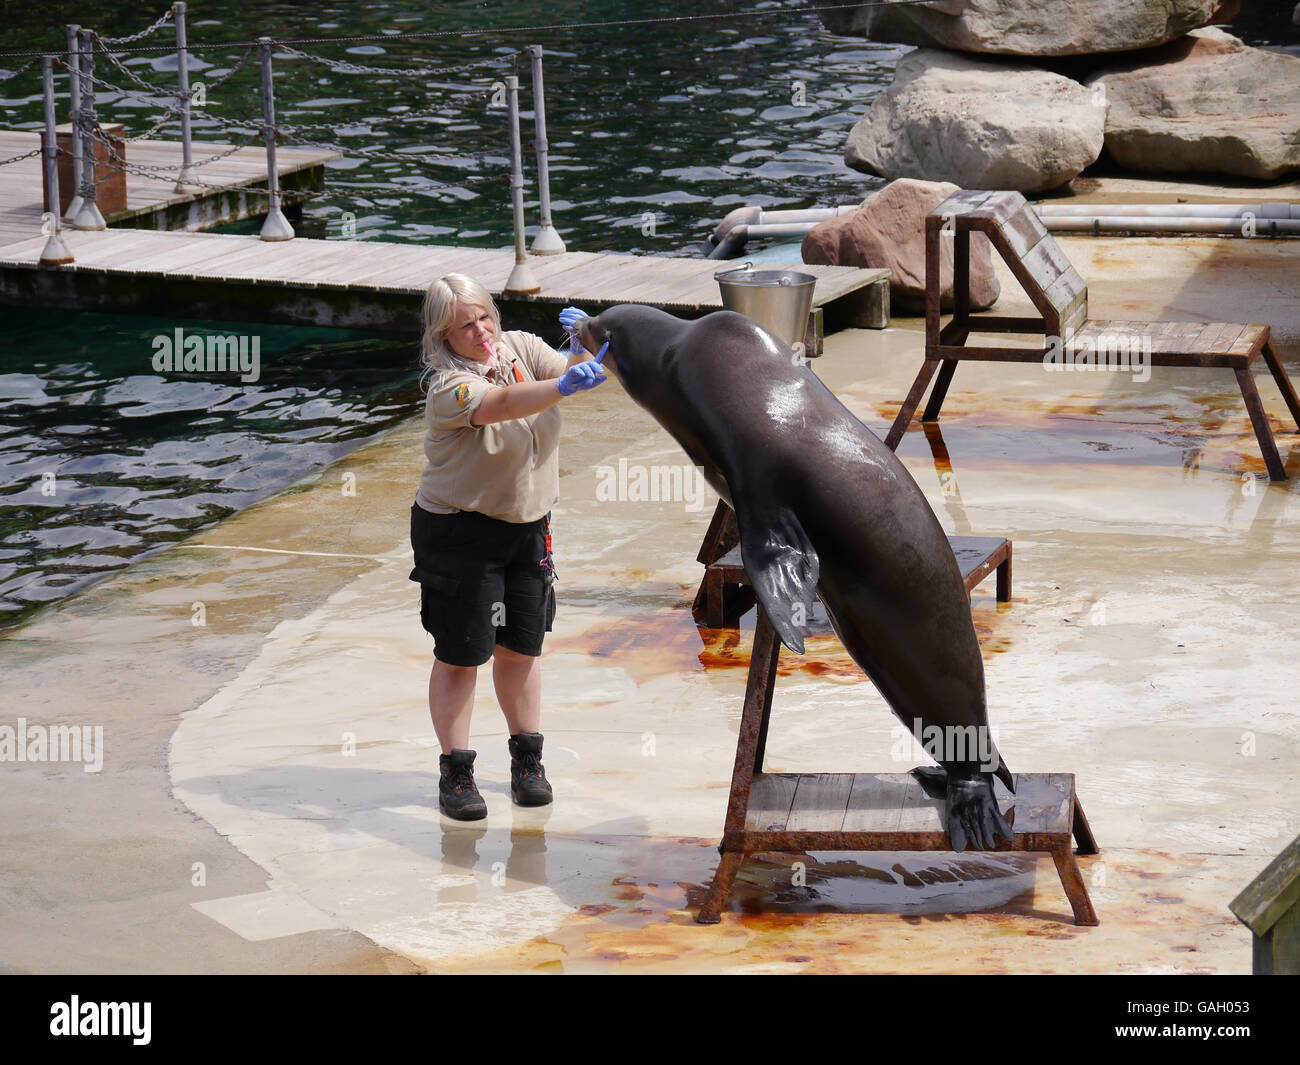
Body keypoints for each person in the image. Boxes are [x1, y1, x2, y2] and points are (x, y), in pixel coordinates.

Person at [409, 274, 606, 820]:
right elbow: (502, 403)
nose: (481, 332)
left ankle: (527, 762)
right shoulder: (449, 386)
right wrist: (563, 388)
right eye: (465, 326)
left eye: (485, 317)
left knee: (523, 647)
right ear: (443, 335)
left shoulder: (517, 344)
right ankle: (457, 772)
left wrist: (583, 345)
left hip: (527, 525)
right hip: (460, 532)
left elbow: (569, 372)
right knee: (461, 654)